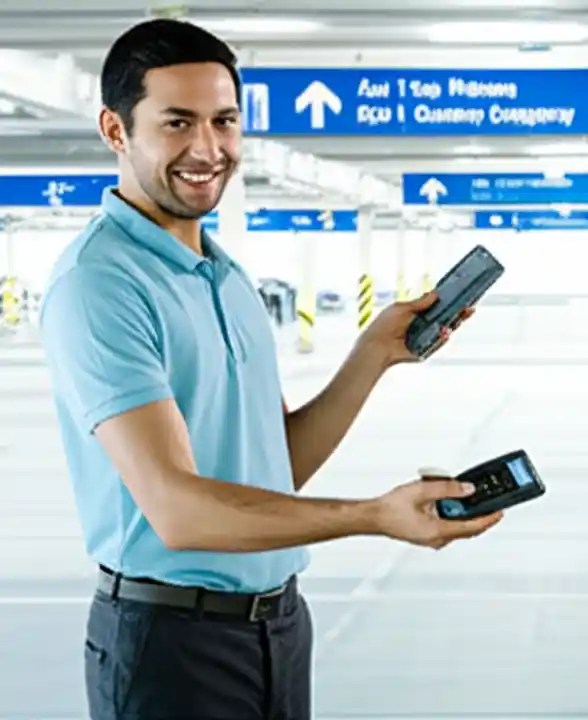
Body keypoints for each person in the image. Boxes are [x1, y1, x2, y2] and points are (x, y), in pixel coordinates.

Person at [39, 19, 502, 720]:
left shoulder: (224, 277)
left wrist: (373, 356)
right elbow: (178, 510)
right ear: (115, 130)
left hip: (278, 628)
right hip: (172, 644)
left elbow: (272, 467)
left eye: (224, 121)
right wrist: (372, 516)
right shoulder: (101, 282)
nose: (208, 148)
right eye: (177, 123)